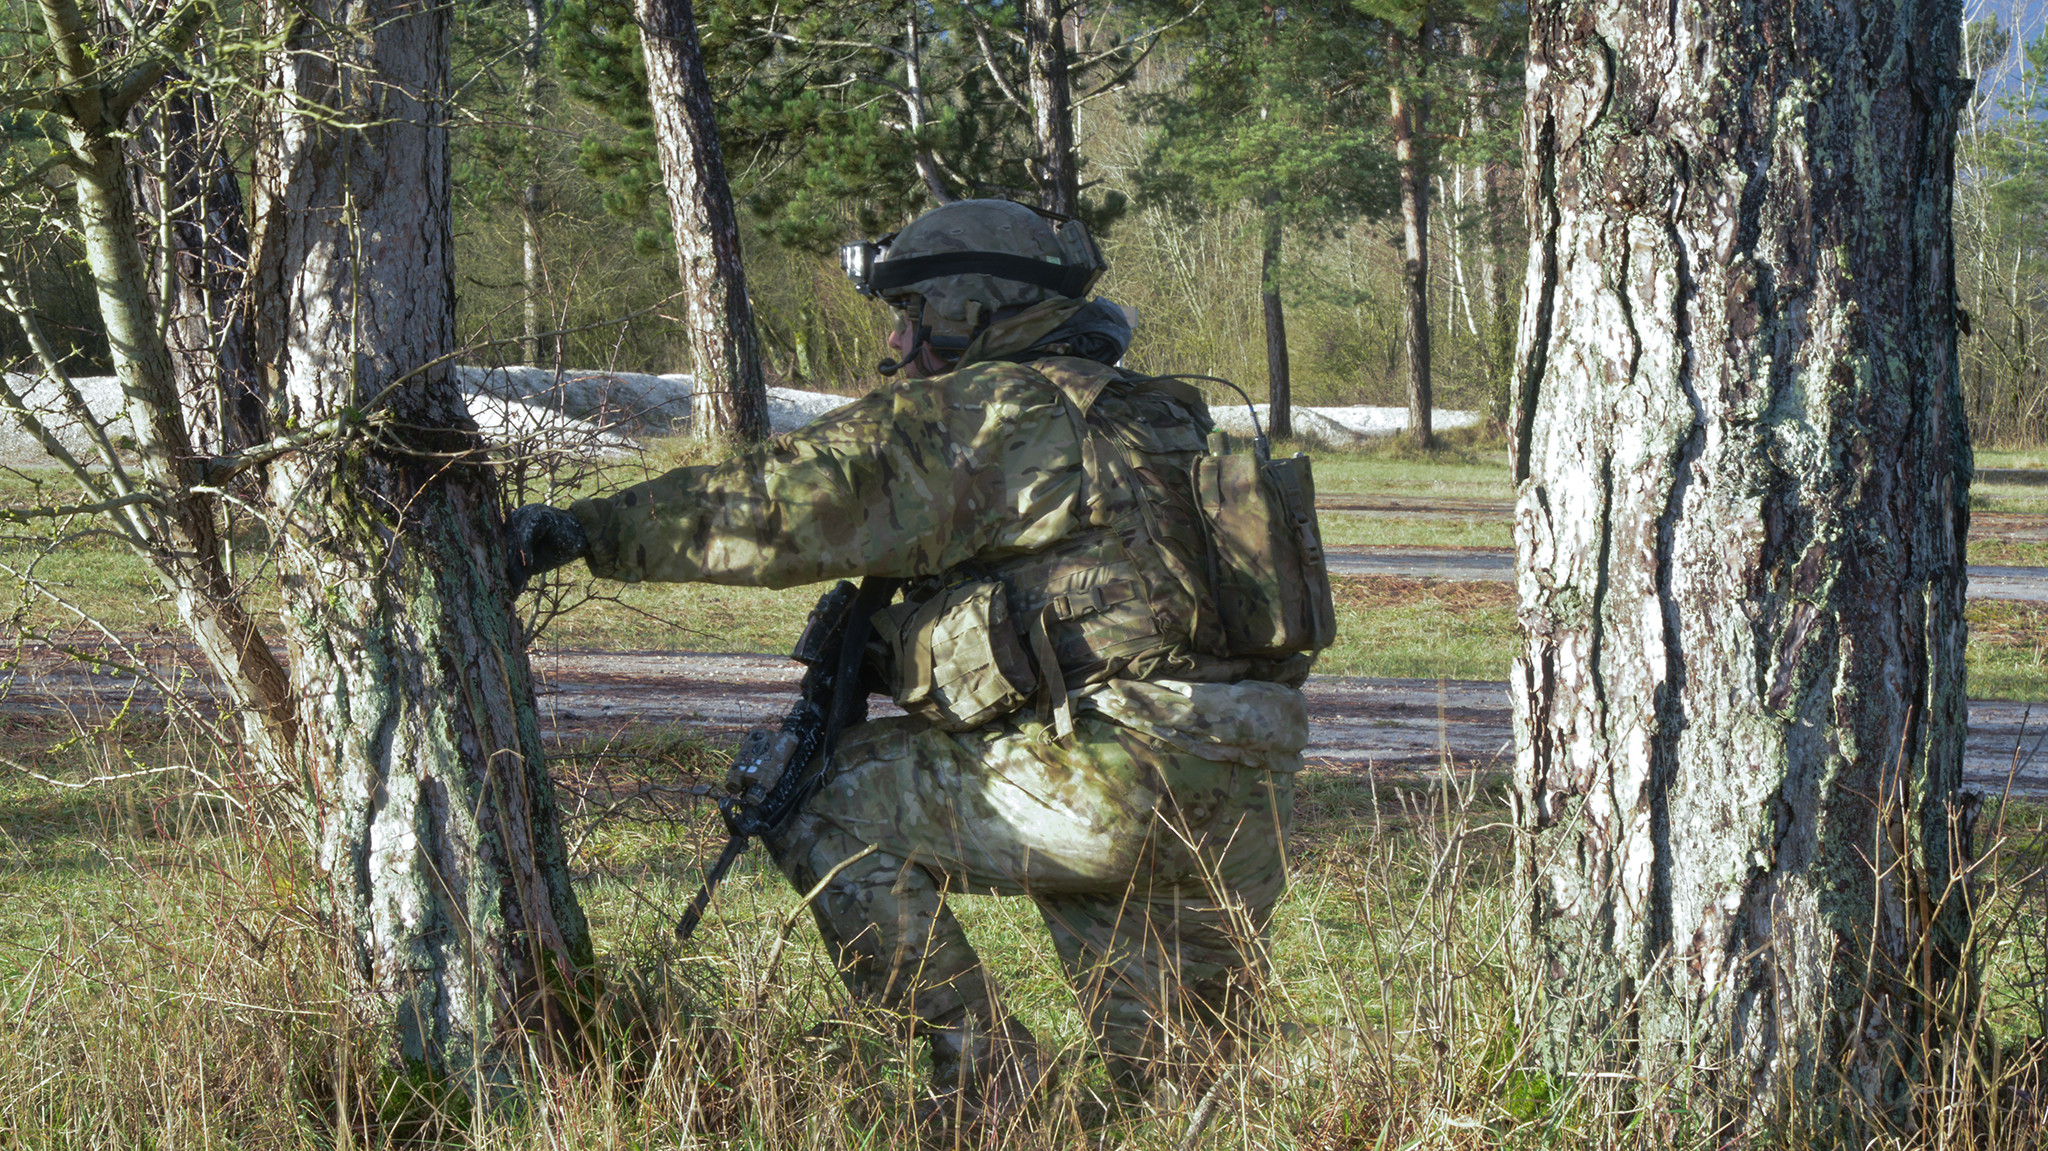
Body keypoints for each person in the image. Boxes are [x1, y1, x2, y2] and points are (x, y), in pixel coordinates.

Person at [503, 199, 1310, 1116]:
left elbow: (792, 500)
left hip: (1112, 777)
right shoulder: (1159, 416)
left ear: (970, 309)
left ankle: (988, 1087)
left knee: (806, 791)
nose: (896, 339)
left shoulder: (992, 409)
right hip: (1246, 791)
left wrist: (585, 530)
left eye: (912, 313)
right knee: (1181, 1094)